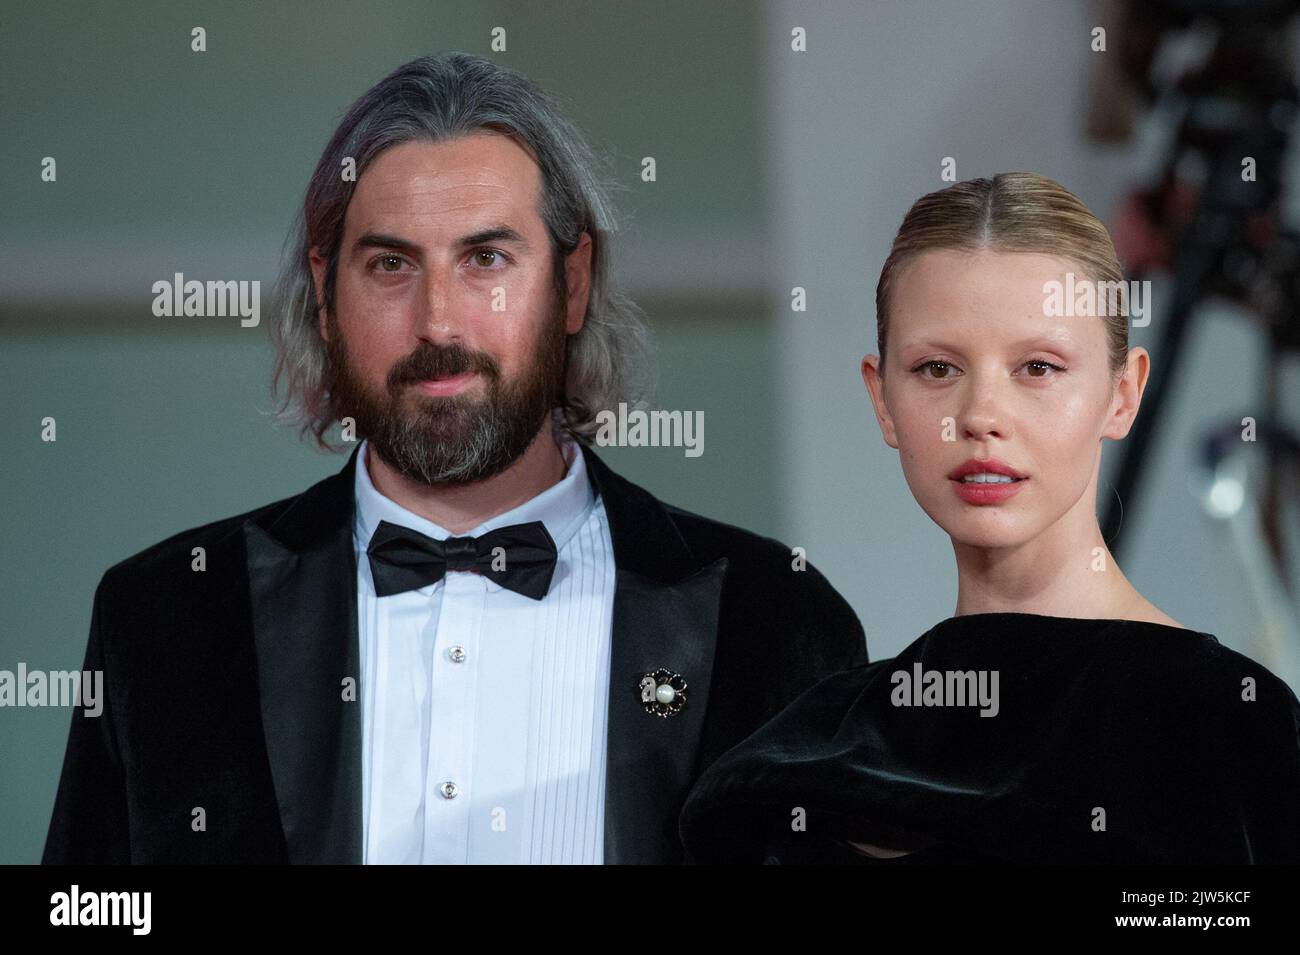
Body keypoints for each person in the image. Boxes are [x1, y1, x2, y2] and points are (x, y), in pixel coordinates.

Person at [41, 53, 866, 865]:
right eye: (390, 265)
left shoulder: (777, 622)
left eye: (486, 260)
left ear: (574, 282)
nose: (438, 322)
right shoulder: (163, 621)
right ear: (325, 295)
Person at [678, 172, 1300, 865]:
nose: (980, 416)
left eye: (1038, 366)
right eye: (937, 369)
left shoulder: (1224, 728)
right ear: (882, 399)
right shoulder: (794, 760)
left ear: (1122, 394)